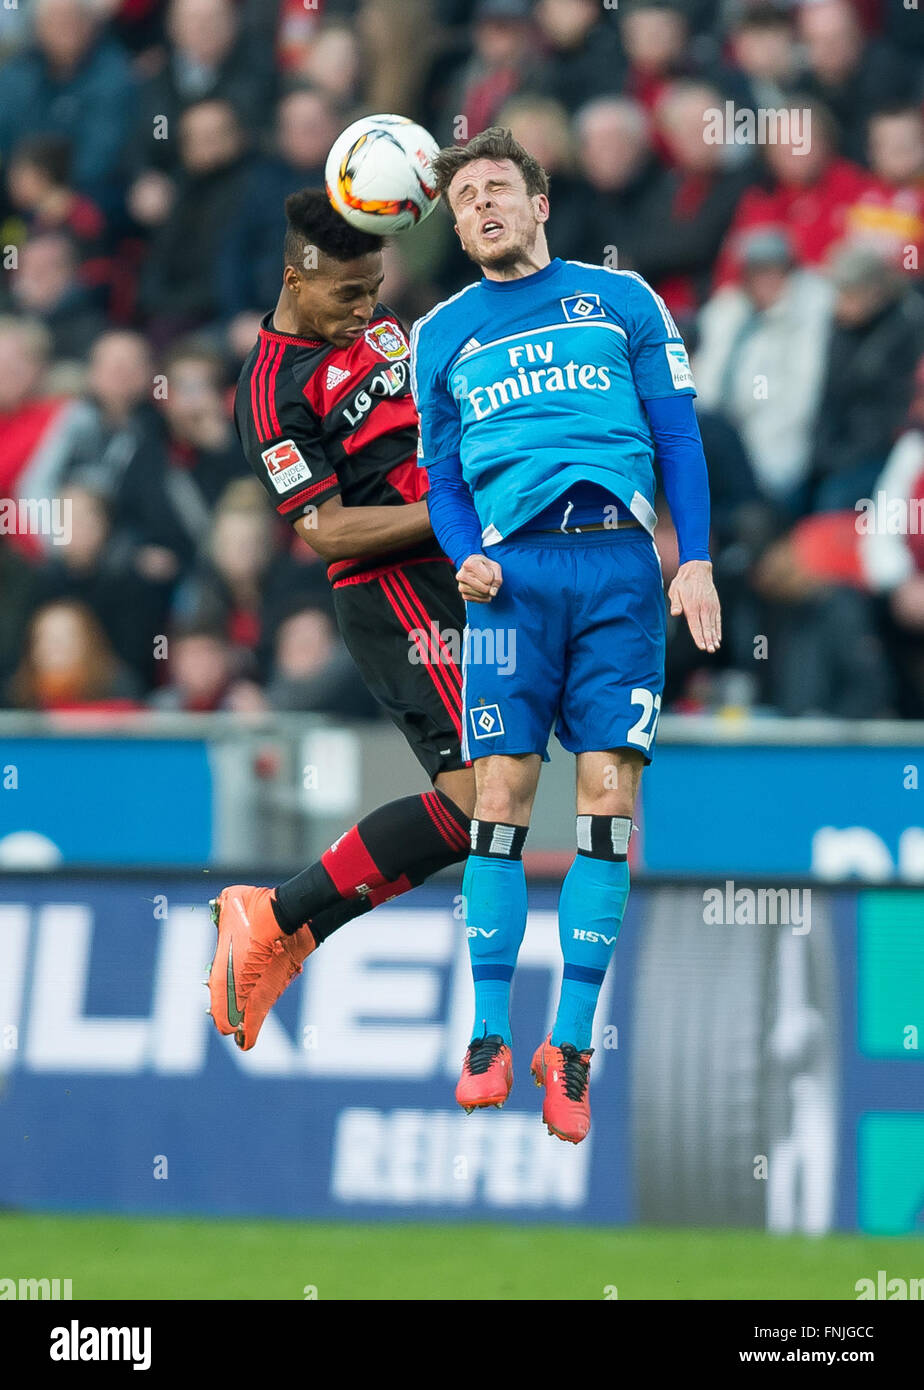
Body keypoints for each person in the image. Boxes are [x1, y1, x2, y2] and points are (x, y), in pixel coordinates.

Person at [411, 126, 719, 1143]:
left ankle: (572, 1043)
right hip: (510, 585)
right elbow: (443, 479)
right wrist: (462, 551)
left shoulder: (625, 302)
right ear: (456, 228)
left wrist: (699, 557)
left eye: (497, 188)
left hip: (622, 574)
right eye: (464, 201)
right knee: (498, 796)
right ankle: (491, 1034)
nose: (481, 207)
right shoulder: (442, 335)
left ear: (541, 203)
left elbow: (677, 431)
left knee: (609, 800)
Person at [206, 190, 475, 1053]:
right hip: (394, 589)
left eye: (374, 292)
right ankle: (278, 916)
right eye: (348, 297)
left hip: (463, 572)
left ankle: (285, 927)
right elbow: (321, 528)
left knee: (498, 797)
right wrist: (450, 513)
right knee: (478, 801)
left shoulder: (374, 323)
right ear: (297, 278)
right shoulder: (268, 390)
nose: (365, 312)